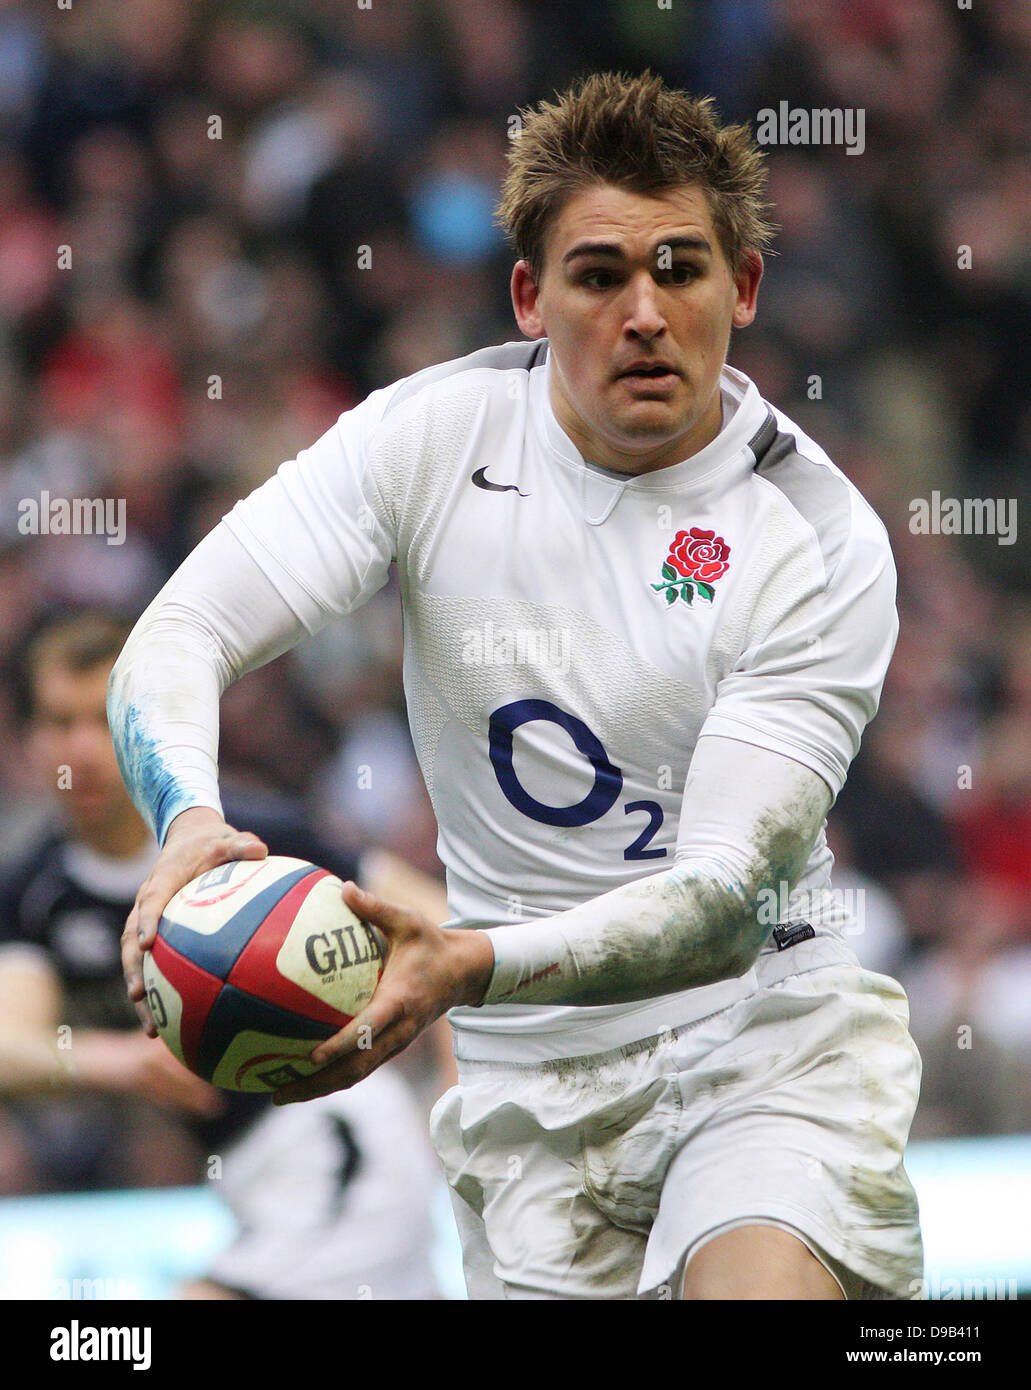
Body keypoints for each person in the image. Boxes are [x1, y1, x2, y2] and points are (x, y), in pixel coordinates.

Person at [111, 72, 923, 1301]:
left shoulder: (814, 538)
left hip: (756, 1035)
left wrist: (465, 960)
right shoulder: (429, 439)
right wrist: (186, 819)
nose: (643, 311)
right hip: (525, 1089)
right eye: (599, 275)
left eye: (680, 268)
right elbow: (181, 630)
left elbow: (715, 904)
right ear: (530, 298)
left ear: (741, 289)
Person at [0, 608, 446, 1298]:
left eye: (104, 719)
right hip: (244, 1180)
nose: (82, 749)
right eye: (60, 723)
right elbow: (8, 1044)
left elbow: (435, 929)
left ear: (147, 725)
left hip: (339, 1143)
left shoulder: (252, 840)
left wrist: (456, 1093)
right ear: (27, 739)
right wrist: (115, 1062)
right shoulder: (36, 889)